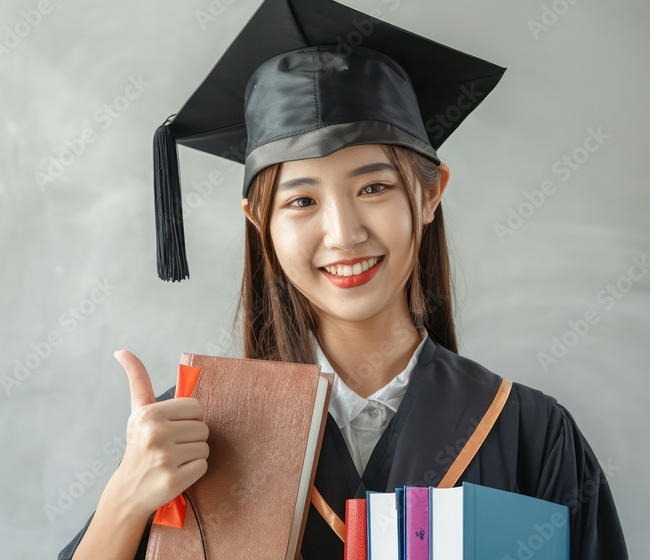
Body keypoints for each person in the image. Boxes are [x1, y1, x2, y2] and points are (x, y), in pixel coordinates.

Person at [57, 0, 629, 558]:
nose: (343, 233)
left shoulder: (529, 435)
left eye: (374, 187)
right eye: (301, 200)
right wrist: (126, 500)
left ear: (429, 194)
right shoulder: (192, 432)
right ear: (260, 222)